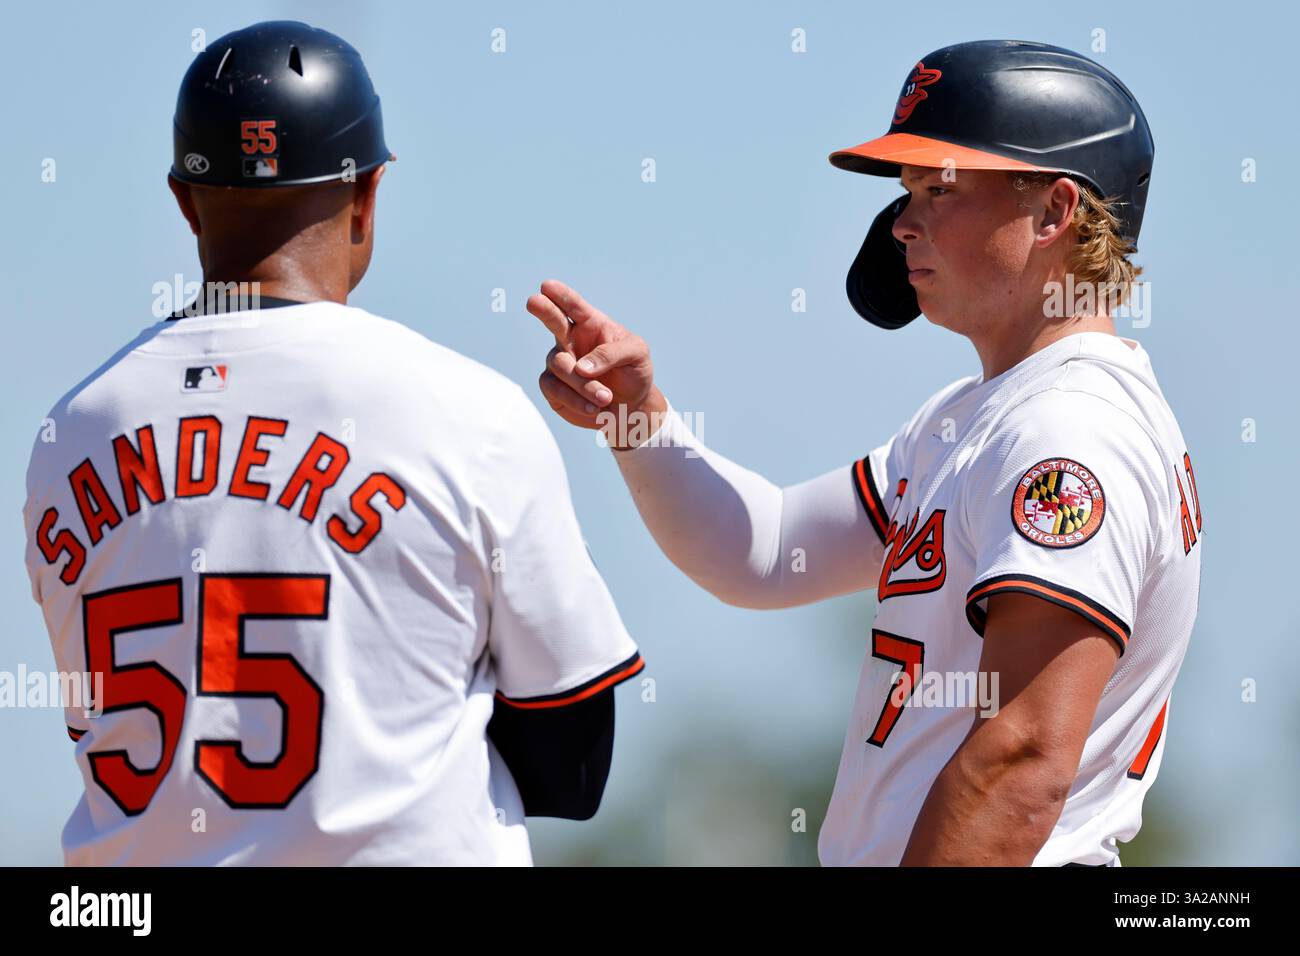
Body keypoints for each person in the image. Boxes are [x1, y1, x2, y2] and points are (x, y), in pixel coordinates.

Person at [529, 39, 1201, 866]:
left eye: (939, 188)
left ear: (1056, 212)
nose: (903, 223)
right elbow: (769, 552)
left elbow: (1022, 760)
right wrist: (640, 421)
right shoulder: (978, 417)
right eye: (908, 191)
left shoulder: (1070, 430)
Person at [22, 19, 642, 866]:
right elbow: (572, 767)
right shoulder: (466, 410)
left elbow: (116, 733)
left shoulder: (71, 435)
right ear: (367, 195)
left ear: (182, 198)